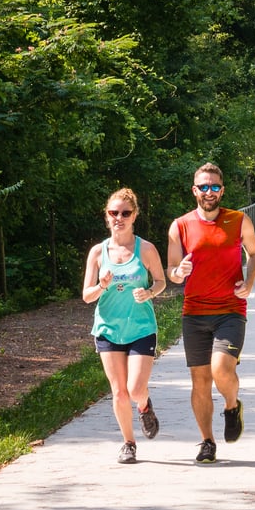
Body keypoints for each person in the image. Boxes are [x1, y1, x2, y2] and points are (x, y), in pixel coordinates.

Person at [167, 162, 255, 465]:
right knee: (200, 381)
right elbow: (172, 271)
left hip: (230, 310)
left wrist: (248, 282)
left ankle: (232, 406)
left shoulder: (238, 220)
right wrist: (178, 272)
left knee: (221, 369)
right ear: (194, 190)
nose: (209, 192)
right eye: (204, 187)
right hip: (194, 313)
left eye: (215, 187)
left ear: (222, 190)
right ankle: (207, 442)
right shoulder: (179, 225)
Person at [82, 188, 167, 464]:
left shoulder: (147, 249)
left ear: (135, 216)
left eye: (125, 213)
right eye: (113, 213)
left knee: (134, 389)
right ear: (106, 216)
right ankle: (128, 443)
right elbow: (86, 296)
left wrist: (149, 292)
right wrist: (101, 285)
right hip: (108, 329)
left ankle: (144, 405)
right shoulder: (98, 252)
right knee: (118, 391)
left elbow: (161, 281)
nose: (119, 218)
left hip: (141, 327)